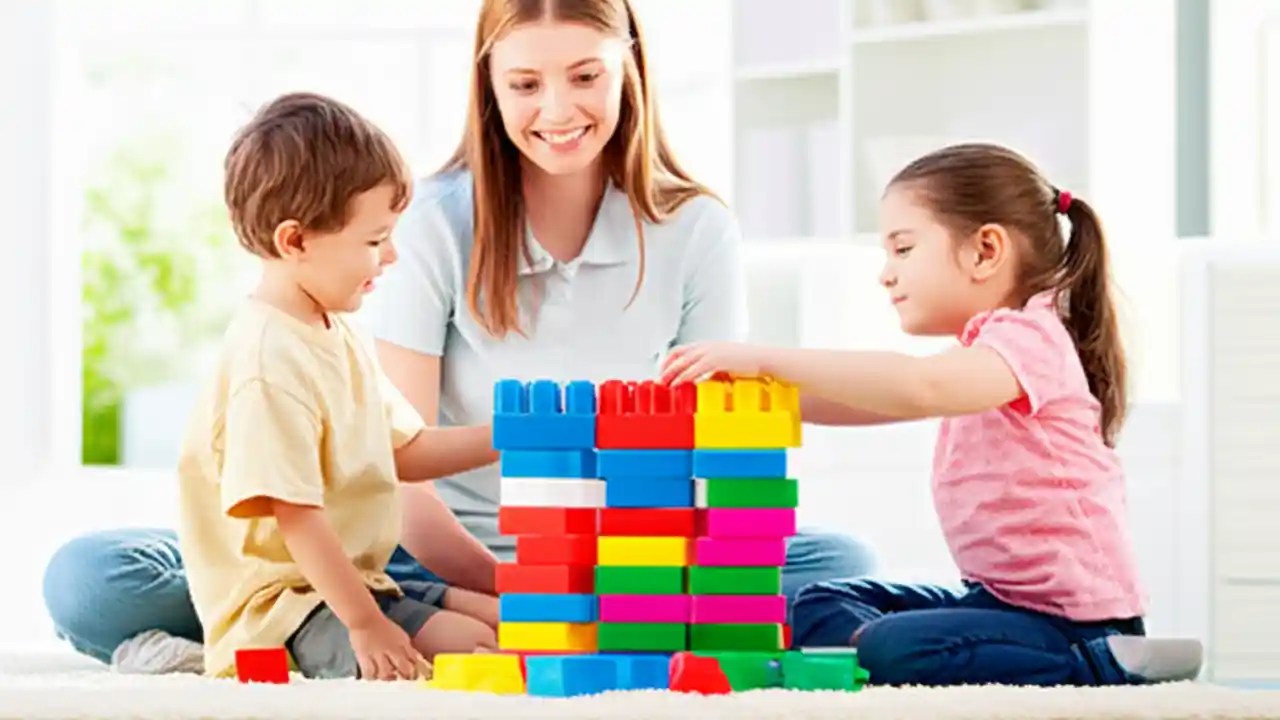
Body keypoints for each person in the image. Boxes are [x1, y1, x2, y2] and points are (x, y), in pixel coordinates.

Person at [40, 0, 875, 674]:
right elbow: (398, 480)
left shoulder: (695, 230)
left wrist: (625, 579)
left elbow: (710, 449)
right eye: (525, 84)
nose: (558, 110)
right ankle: (277, 629)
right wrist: (522, 589)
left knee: (837, 555)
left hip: (622, 551)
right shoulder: (429, 222)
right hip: (418, 556)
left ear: (630, 66)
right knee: (91, 579)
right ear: (490, 87)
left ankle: (317, 626)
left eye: (585, 75)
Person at [660, 142, 1204, 687]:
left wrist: (761, 357)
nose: (886, 274)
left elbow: (916, 387)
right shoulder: (982, 353)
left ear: (985, 251)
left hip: (1072, 625)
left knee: (891, 648)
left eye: (903, 249)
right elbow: (869, 401)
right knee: (820, 603)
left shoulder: (1031, 339)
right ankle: (881, 654)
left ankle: (1110, 663)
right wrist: (752, 398)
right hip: (996, 603)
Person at [177, 91, 498, 681]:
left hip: (358, 582)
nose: (393, 256)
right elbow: (296, 516)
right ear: (294, 241)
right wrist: (366, 624)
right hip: (283, 608)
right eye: (375, 241)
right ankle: (182, 654)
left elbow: (406, 450)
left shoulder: (334, 328)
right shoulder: (267, 363)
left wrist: (510, 435)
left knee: (506, 623)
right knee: (468, 649)